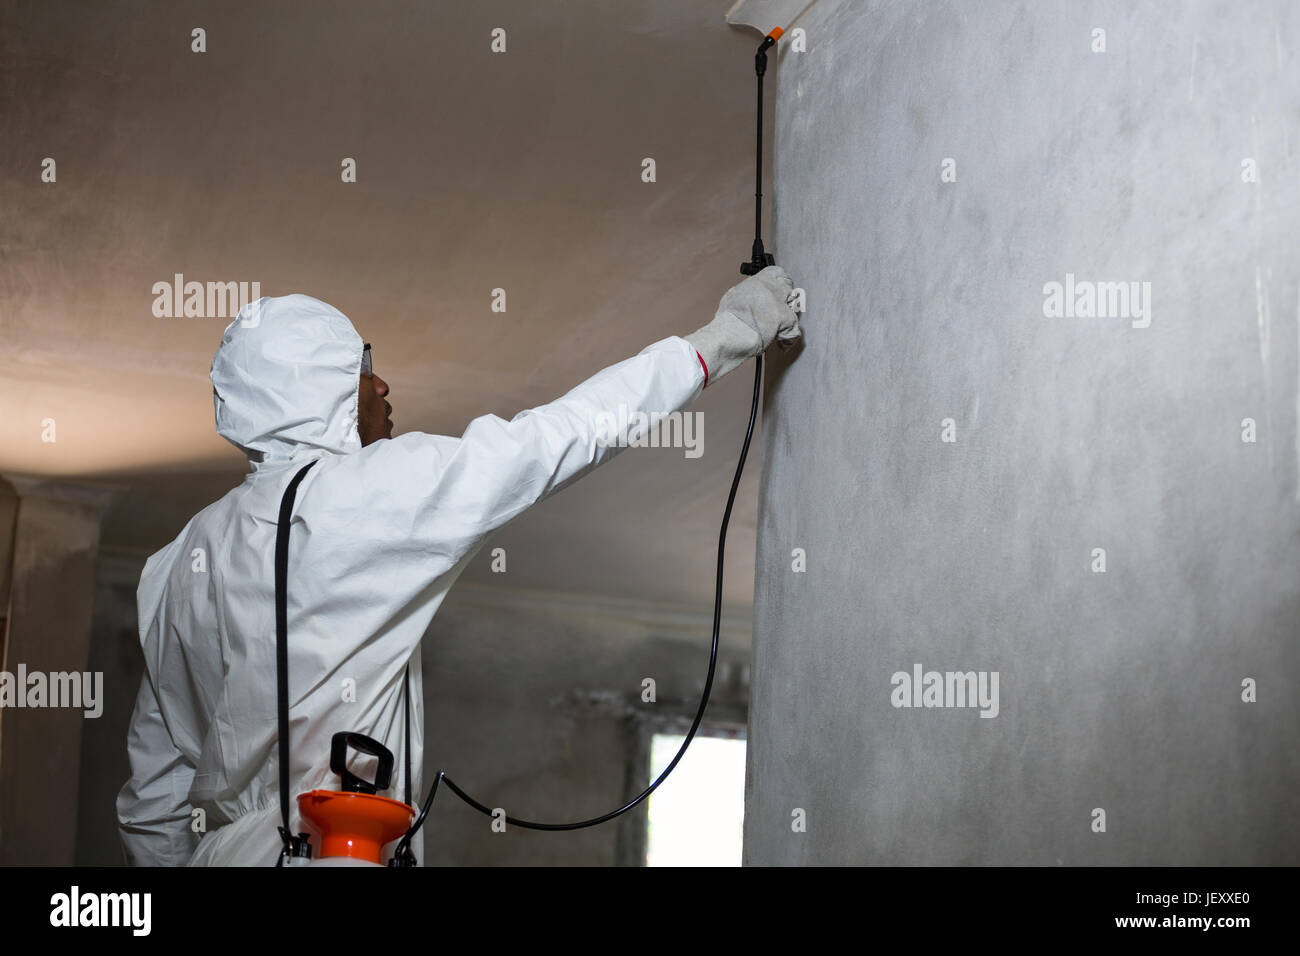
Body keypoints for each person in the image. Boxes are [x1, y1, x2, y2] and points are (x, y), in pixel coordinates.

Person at [115, 266, 801, 865]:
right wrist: (728, 334)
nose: (381, 383)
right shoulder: (366, 495)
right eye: (357, 370)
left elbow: (155, 792)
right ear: (317, 392)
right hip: (334, 852)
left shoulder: (175, 564)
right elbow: (563, 434)